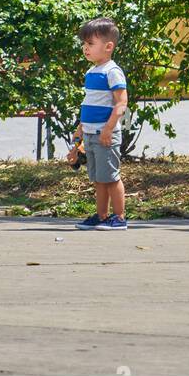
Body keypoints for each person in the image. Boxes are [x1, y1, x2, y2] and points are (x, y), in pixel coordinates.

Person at [71, 18, 129, 231]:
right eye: (84, 44)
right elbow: (88, 104)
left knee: (112, 178)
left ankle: (119, 217)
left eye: (90, 44)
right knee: (98, 179)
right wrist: (79, 134)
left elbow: (122, 102)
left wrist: (108, 129)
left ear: (108, 46)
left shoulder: (112, 71)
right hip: (90, 134)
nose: (85, 48)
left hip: (105, 134)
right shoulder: (91, 72)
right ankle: (102, 216)